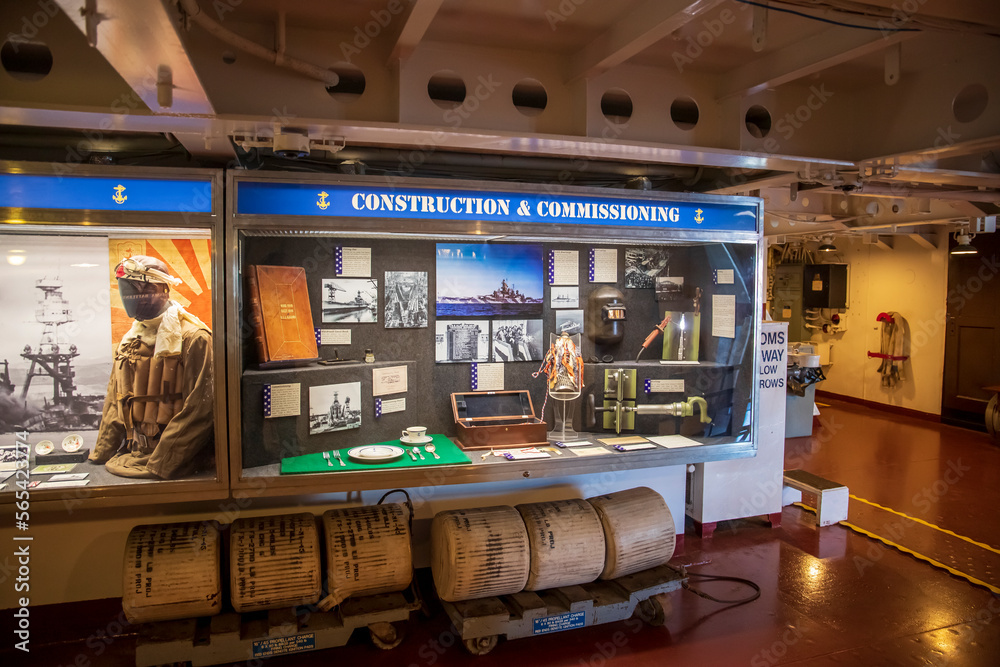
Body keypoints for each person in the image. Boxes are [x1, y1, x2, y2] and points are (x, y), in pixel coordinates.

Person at [89, 256, 214, 479]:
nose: (130, 300)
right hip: (130, 457)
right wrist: (101, 453)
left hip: (177, 465)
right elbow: (116, 401)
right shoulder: (130, 340)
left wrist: (161, 463)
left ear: (162, 290)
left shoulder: (194, 338)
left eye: (137, 292)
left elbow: (200, 409)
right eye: (127, 293)